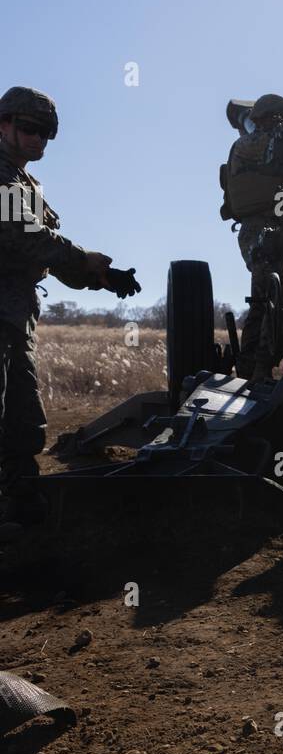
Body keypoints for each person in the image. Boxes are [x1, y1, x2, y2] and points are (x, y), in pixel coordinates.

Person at [0, 86, 139, 533]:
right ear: (3, 125)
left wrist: (94, 275)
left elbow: (36, 250)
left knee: (22, 421)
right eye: (29, 129)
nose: (38, 139)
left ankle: (19, 514)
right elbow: (24, 236)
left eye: (46, 133)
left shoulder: (24, 182)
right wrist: (82, 261)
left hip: (13, 316)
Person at [220, 93, 283, 378]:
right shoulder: (246, 145)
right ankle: (253, 369)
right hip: (259, 230)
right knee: (270, 294)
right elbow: (271, 148)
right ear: (265, 118)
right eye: (279, 117)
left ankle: (269, 367)